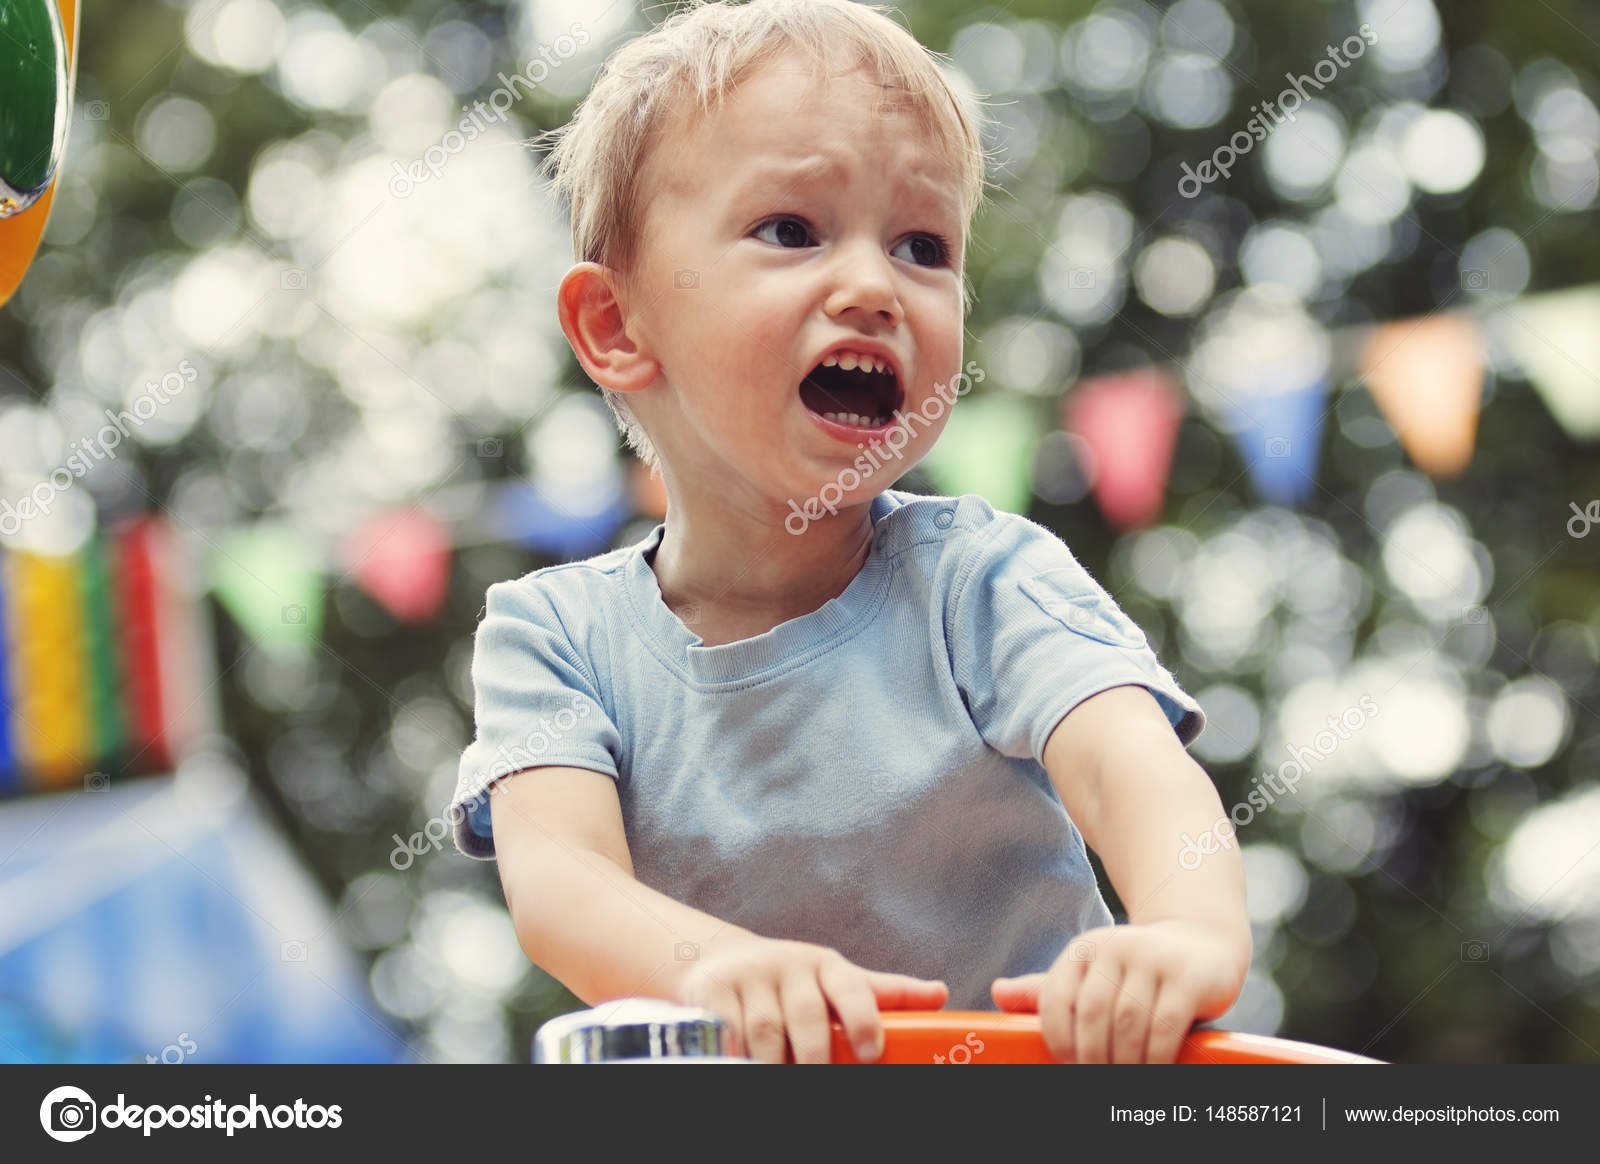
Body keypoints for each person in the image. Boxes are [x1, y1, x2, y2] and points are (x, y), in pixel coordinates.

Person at [448, 0, 1249, 1065]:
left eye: (923, 246)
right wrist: (713, 966)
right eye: (792, 230)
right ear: (617, 324)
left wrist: (1187, 929)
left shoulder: (983, 581)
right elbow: (560, 879)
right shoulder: (554, 637)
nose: (875, 287)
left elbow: (1127, 769)